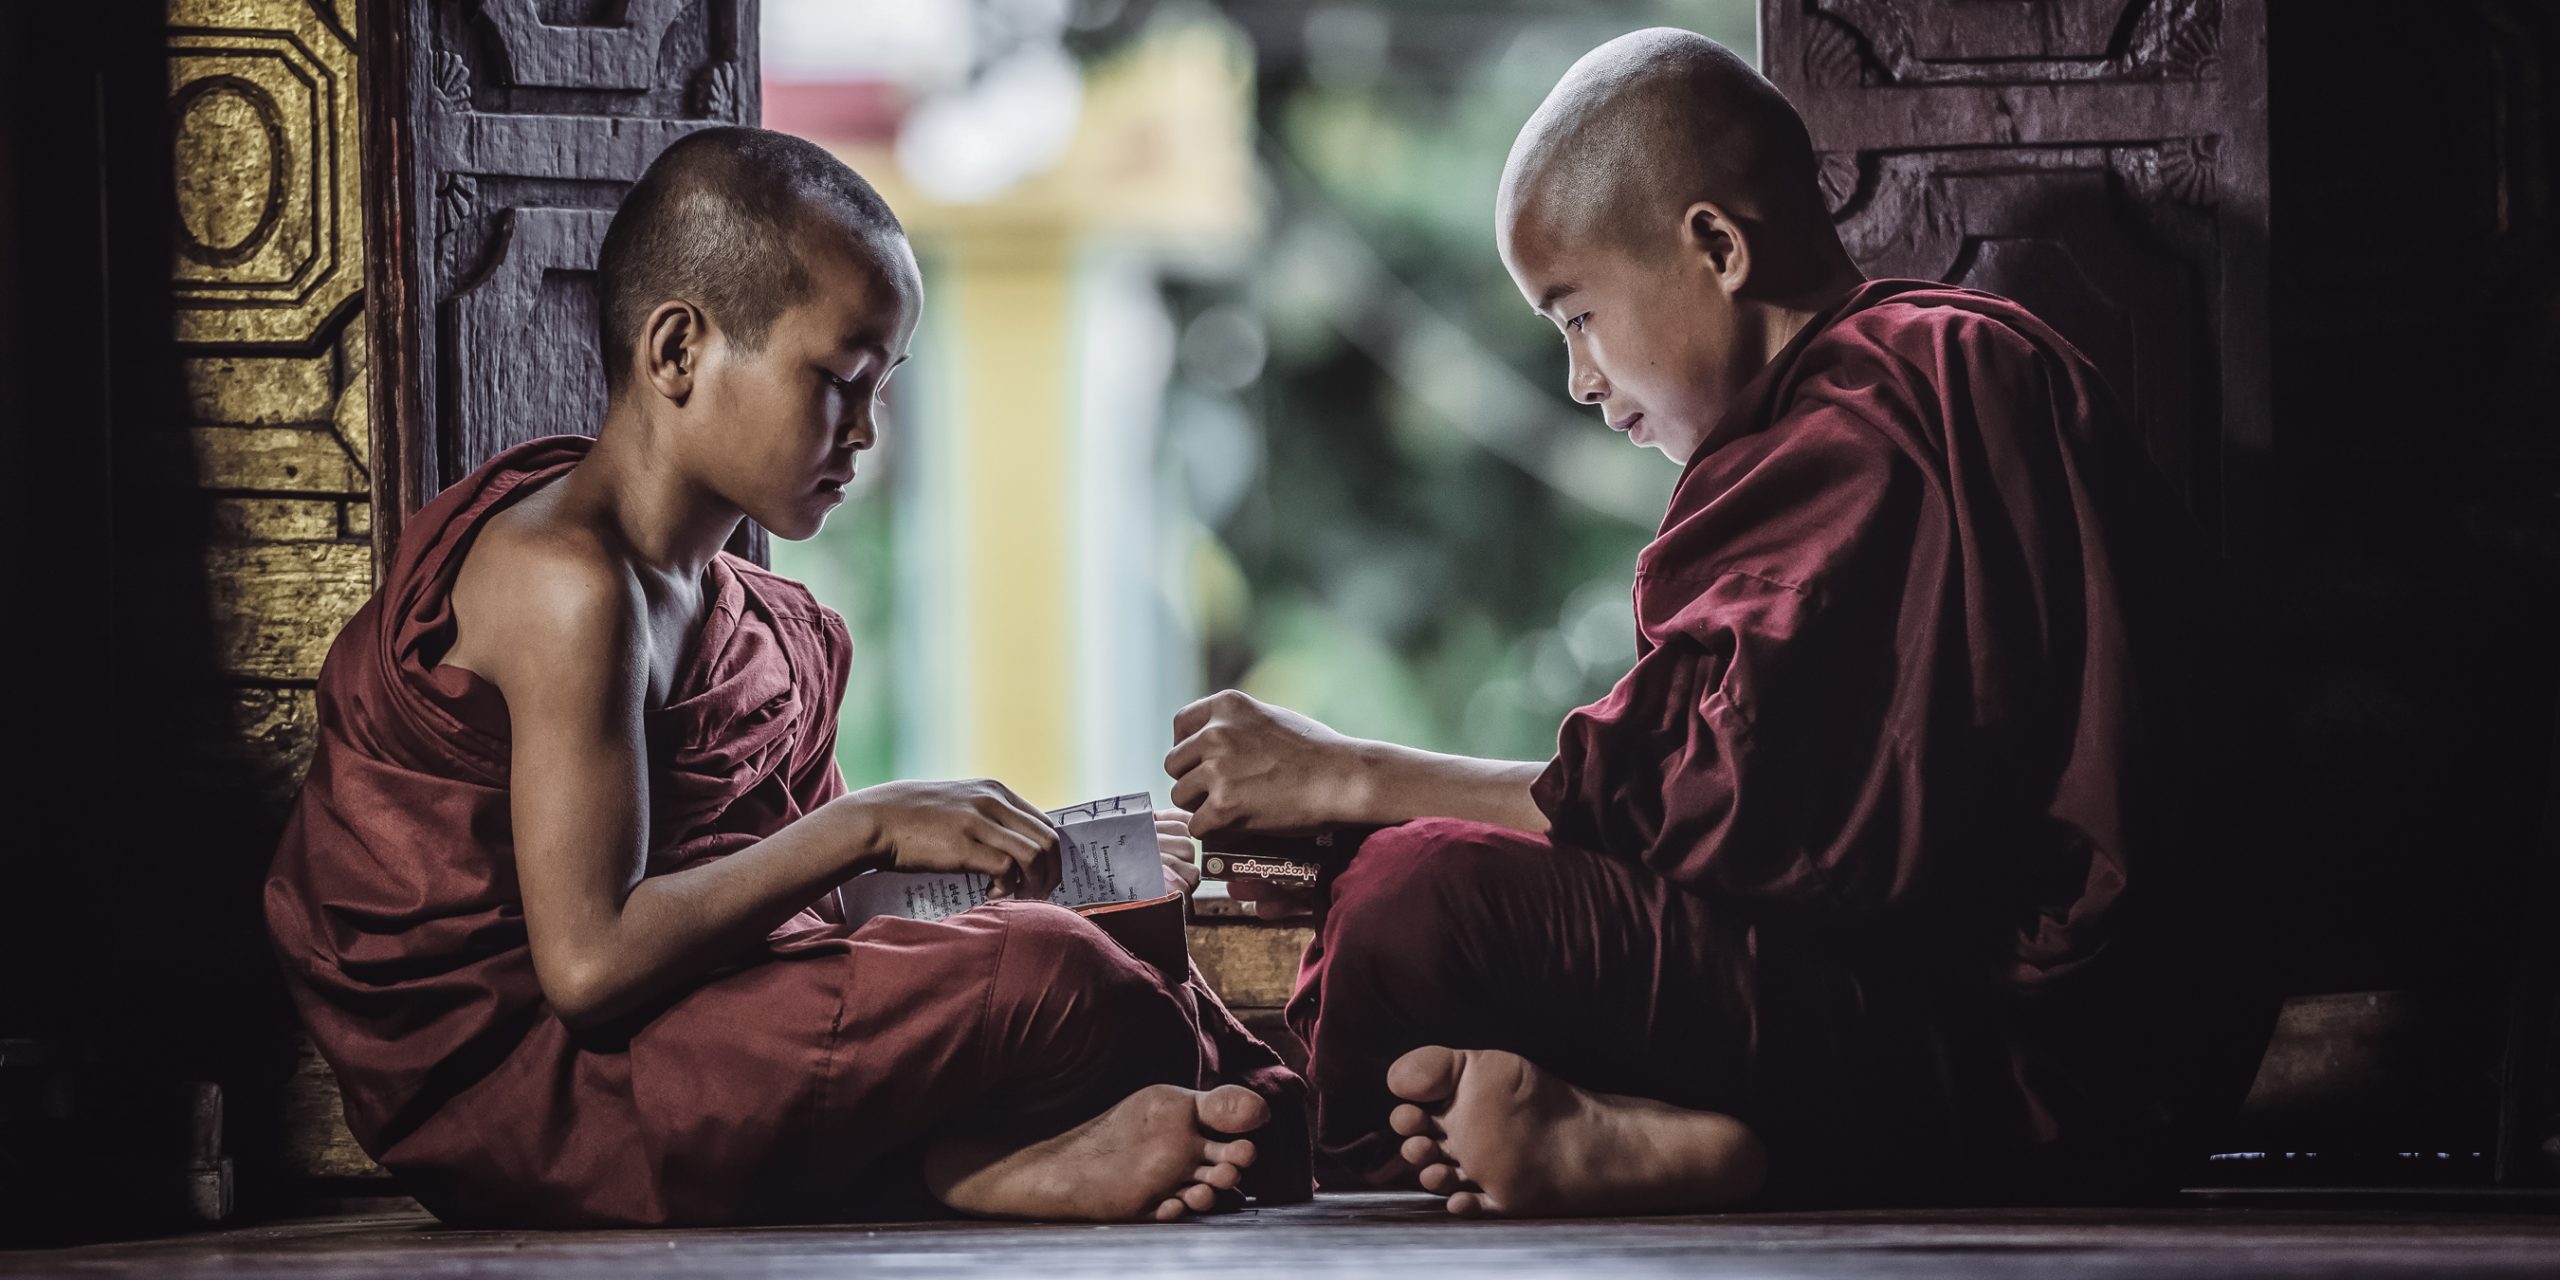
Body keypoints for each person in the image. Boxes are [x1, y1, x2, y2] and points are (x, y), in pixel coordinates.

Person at [1165, 29, 2268, 1216]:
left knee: (1415, 892)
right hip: (2095, 1066)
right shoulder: (1932, 373)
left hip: (2020, 1058)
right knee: (1426, 895)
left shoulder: (1887, 397)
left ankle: (1658, 1145)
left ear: (1715, 246)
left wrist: (1351, 773)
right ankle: (1695, 1142)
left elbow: (1721, 805)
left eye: (1576, 315)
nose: (1580, 378)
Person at [266, 127, 1305, 1228]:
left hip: (713, 1016)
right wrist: (868, 824)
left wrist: (1054, 855)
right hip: (547, 1079)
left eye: (885, 386)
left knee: (1107, 945)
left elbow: (822, 914)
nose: (864, 433)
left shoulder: (761, 621)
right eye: (839, 380)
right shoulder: (563, 582)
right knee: (1051, 980)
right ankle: (958, 1172)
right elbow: (589, 963)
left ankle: (974, 1158)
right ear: (678, 353)